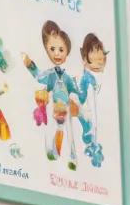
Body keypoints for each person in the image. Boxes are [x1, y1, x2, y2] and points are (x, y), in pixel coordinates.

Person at [22, 19, 79, 169]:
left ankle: (72, 157)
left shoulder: (66, 77)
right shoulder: (51, 74)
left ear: (67, 51)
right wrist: (30, 65)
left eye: (61, 50)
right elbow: (39, 76)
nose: (57, 54)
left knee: (69, 132)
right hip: (54, 106)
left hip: (65, 107)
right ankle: (51, 152)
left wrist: (76, 100)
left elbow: (74, 90)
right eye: (52, 49)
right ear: (47, 50)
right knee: (51, 129)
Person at [76, 31, 106, 167]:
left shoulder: (93, 78)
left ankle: (93, 148)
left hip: (91, 116)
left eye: (101, 60)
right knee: (91, 132)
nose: (98, 64)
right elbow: (85, 101)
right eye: (94, 60)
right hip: (87, 115)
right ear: (85, 59)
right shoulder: (87, 79)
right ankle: (92, 149)